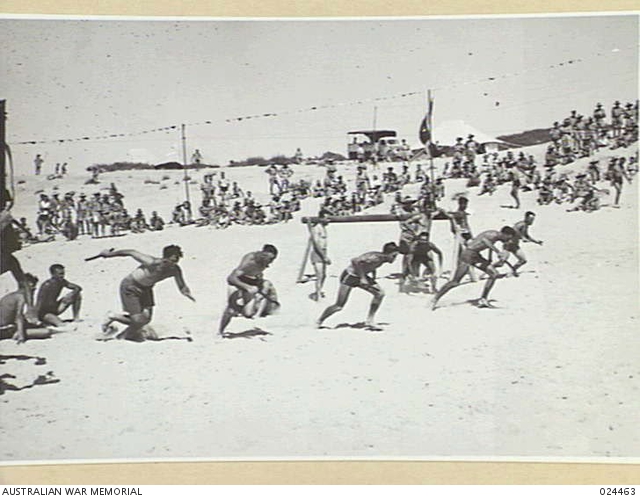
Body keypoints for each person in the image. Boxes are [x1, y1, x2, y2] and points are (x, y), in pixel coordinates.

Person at [98, 246, 195, 341]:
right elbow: (131, 252)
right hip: (131, 286)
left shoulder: (175, 270)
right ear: (165, 258)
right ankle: (112, 316)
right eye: (172, 260)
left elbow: (181, 285)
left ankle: (124, 336)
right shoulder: (151, 262)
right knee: (138, 320)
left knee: (146, 319)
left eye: (176, 260)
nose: (173, 264)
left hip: (147, 289)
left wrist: (187, 293)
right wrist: (109, 254)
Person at [317, 242, 400, 331]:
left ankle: (370, 320)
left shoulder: (382, 259)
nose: (394, 259)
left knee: (380, 294)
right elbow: (355, 261)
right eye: (394, 256)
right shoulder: (375, 257)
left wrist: (372, 274)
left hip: (361, 276)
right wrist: (363, 278)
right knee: (339, 306)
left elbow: (370, 266)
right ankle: (319, 321)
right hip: (349, 276)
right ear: (388, 254)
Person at [431, 226, 518, 310]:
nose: (508, 240)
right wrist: (497, 252)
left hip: (476, 256)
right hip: (467, 255)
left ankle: (483, 299)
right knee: (455, 282)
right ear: (505, 234)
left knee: (494, 274)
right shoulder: (492, 234)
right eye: (508, 237)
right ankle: (435, 299)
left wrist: (490, 258)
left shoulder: (495, 237)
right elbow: (485, 241)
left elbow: (488, 244)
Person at [218, 244, 279, 337]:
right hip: (236, 283)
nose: (270, 262)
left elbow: (256, 275)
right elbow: (231, 278)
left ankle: (239, 308)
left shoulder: (264, 264)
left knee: (248, 313)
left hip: (249, 284)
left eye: (272, 260)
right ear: (264, 255)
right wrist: (247, 287)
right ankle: (220, 331)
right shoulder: (250, 260)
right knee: (231, 310)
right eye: (270, 259)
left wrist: (259, 283)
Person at [0, 274, 54, 343]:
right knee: (46, 332)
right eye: (32, 287)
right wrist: (21, 336)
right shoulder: (20, 297)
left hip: (5, 327)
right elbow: (19, 316)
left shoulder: (9, 296)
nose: (34, 289)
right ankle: (16, 335)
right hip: (5, 330)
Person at [35, 264, 82, 331]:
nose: (62, 276)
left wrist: (75, 292)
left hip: (55, 308)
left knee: (77, 295)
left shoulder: (62, 281)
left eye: (63, 274)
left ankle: (76, 318)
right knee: (60, 324)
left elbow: (78, 287)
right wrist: (36, 319)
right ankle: (47, 322)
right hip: (44, 313)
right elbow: (39, 303)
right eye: (60, 274)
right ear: (53, 274)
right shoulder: (47, 285)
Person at [505, 211, 543, 276]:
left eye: (533, 220)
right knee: (501, 261)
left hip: (515, 245)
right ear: (526, 218)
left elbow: (527, 236)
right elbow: (514, 230)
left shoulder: (525, 226)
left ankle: (512, 271)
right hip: (508, 245)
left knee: (523, 260)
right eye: (530, 219)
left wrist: (536, 241)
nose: (532, 221)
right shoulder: (521, 224)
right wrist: (522, 237)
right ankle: (486, 271)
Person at [308, 214, 331, 301]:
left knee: (324, 275)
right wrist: (324, 257)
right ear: (321, 218)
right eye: (326, 218)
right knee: (320, 275)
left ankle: (319, 291)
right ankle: (318, 295)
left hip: (323, 251)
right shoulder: (317, 228)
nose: (329, 220)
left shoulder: (323, 228)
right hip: (318, 253)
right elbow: (316, 244)